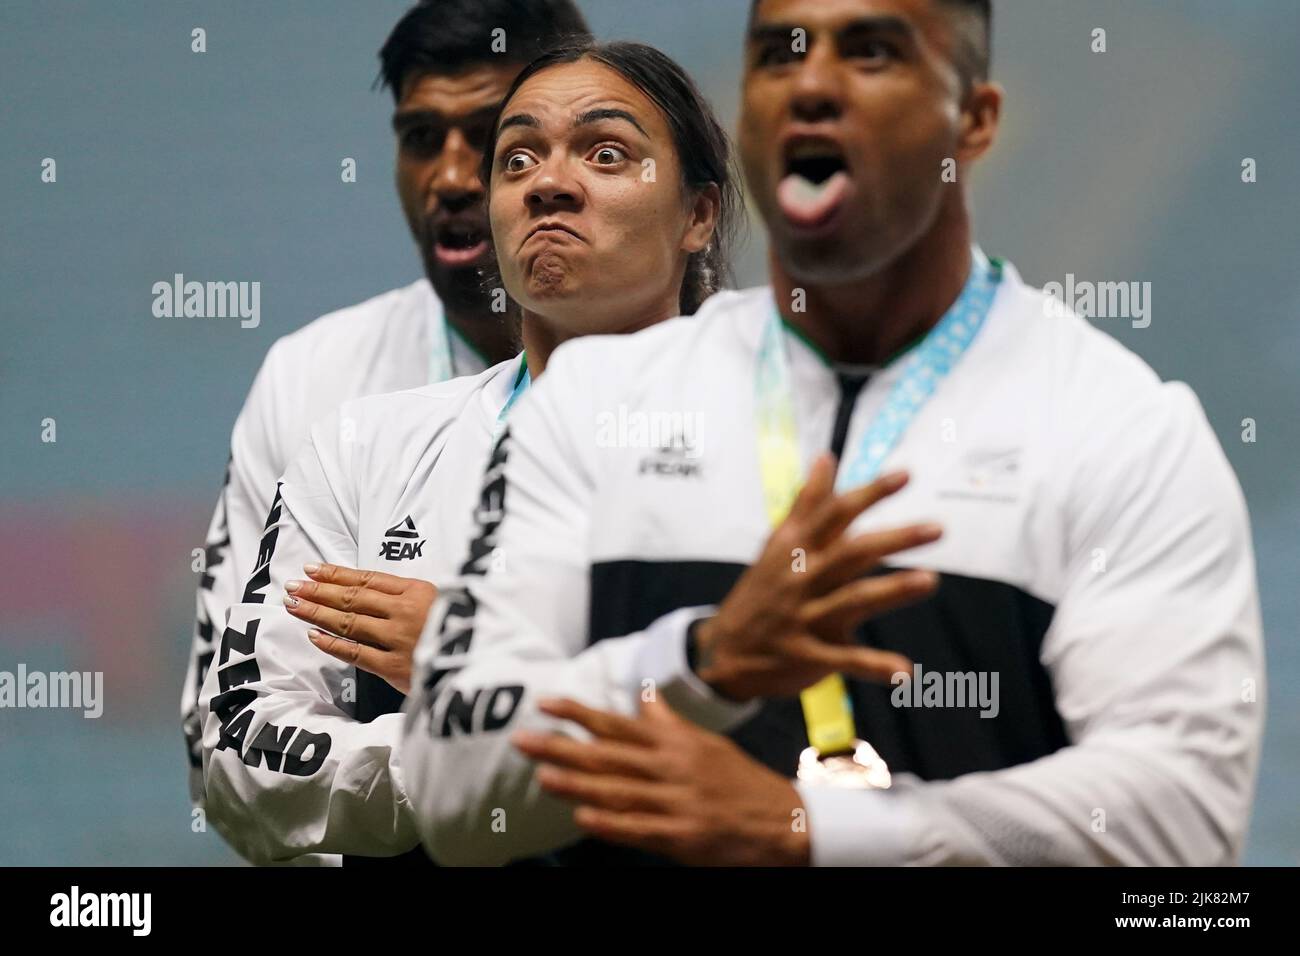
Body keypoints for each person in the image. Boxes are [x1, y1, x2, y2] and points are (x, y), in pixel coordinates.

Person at [399, 0, 1264, 867]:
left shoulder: (1124, 424)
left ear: (974, 119)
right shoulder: (595, 401)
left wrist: (817, 832)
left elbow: (1179, 822)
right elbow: (449, 784)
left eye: (873, 53)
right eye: (779, 55)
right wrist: (700, 664)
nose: (812, 83)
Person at [198, 40, 746, 865]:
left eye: (605, 153)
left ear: (698, 214)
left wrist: (458, 667)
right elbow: (242, 756)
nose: (548, 183)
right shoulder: (362, 446)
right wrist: (471, 749)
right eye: (518, 156)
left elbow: (795, 738)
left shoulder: (779, 446)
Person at [179, 0, 590, 828]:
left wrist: (457, 668)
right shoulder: (317, 382)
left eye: (489, 137)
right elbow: (224, 744)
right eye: (419, 138)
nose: (449, 178)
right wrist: (497, 763)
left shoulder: (730, 389)